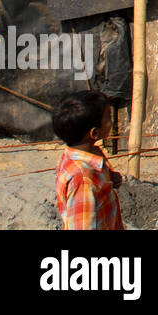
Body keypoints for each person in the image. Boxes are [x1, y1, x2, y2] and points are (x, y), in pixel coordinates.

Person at [53, 91, 124, 230]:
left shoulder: (86, 154)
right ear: (94, 133)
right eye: (108, 117)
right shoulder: (83, 180)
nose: (112, 121)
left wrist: (110, 177)